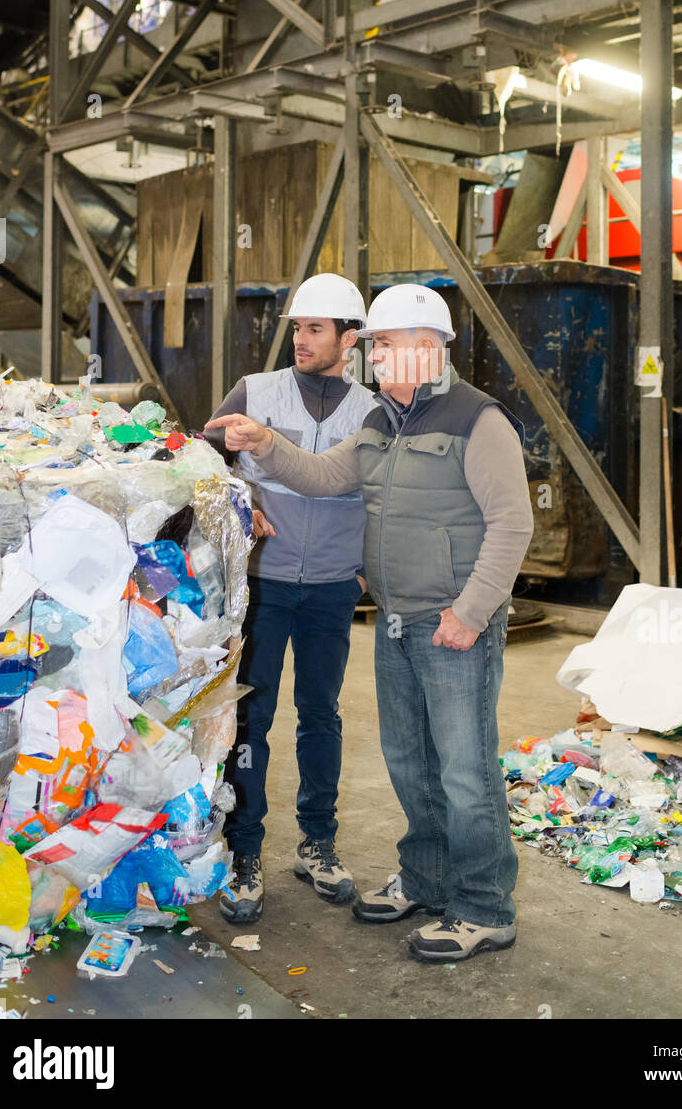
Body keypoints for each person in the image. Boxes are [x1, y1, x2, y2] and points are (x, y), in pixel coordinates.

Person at [206, 282, 534, 963]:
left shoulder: (479, 419)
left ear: (429, 348)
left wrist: (471, 614)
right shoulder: (384, 421)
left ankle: (483, 906)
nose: (377, 357)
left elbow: (512, 523)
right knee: (411, 764)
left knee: (465, 771)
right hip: (395, 621)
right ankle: (427, 879)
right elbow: (324, 475)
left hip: (453, 625)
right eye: (377, 345)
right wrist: (265, 442)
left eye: (387, 345)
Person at [205, 273, 377, 924]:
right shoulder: (255, 391)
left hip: (334, 587)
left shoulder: (375, 410)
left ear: (347, 338)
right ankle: (243, 853)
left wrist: (365, 571)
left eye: (314, 329)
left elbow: (382, 495)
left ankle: (317, 844)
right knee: (252, 718)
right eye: (297, 327)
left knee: (321, 715)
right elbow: (199, 461)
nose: (301, 339)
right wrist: (240, 502)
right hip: (263, 583)